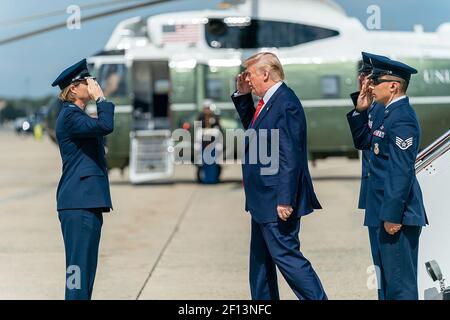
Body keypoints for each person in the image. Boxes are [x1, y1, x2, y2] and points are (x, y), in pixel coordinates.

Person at [231, 52, 326, 300]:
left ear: (265, 73)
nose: (247, 80)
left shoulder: (286, 103)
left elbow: (290, 156)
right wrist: (242, 96)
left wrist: (285, 199)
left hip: (275, 199)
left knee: (287, 258)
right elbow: (255, 132)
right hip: (262, 199)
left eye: (250, 75)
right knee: (260, 265)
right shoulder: (269, 102)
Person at [347, 55, 428, 299]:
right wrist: (360, 111)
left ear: (393, 85)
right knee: (387, 285)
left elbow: (401, 171)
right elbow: (364, 143)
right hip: (381, 208)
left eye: (376, 81)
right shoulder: (386, 113)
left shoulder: (402, 117)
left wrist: (393, 215)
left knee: (400, 287)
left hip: (396, 214)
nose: (370, 85)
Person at [51, 58, 115, 300]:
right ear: (74, 88)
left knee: (85, 270)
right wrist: (101, 100)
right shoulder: (70, 116)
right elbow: (106, 126)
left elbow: (99, 127)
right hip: (79, 202)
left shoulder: (77, 116)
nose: (93, 84)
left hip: (85, 201)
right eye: (88, 81)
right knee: (77, 269)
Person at [348, 52, 388, 299]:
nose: (362, 80)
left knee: (389, 264)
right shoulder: (370, 109)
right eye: (361, 75)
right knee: (379, 263)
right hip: (373, 195)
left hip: (384, 196)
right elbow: (362, 143)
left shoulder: (385, 110)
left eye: (368, 76)